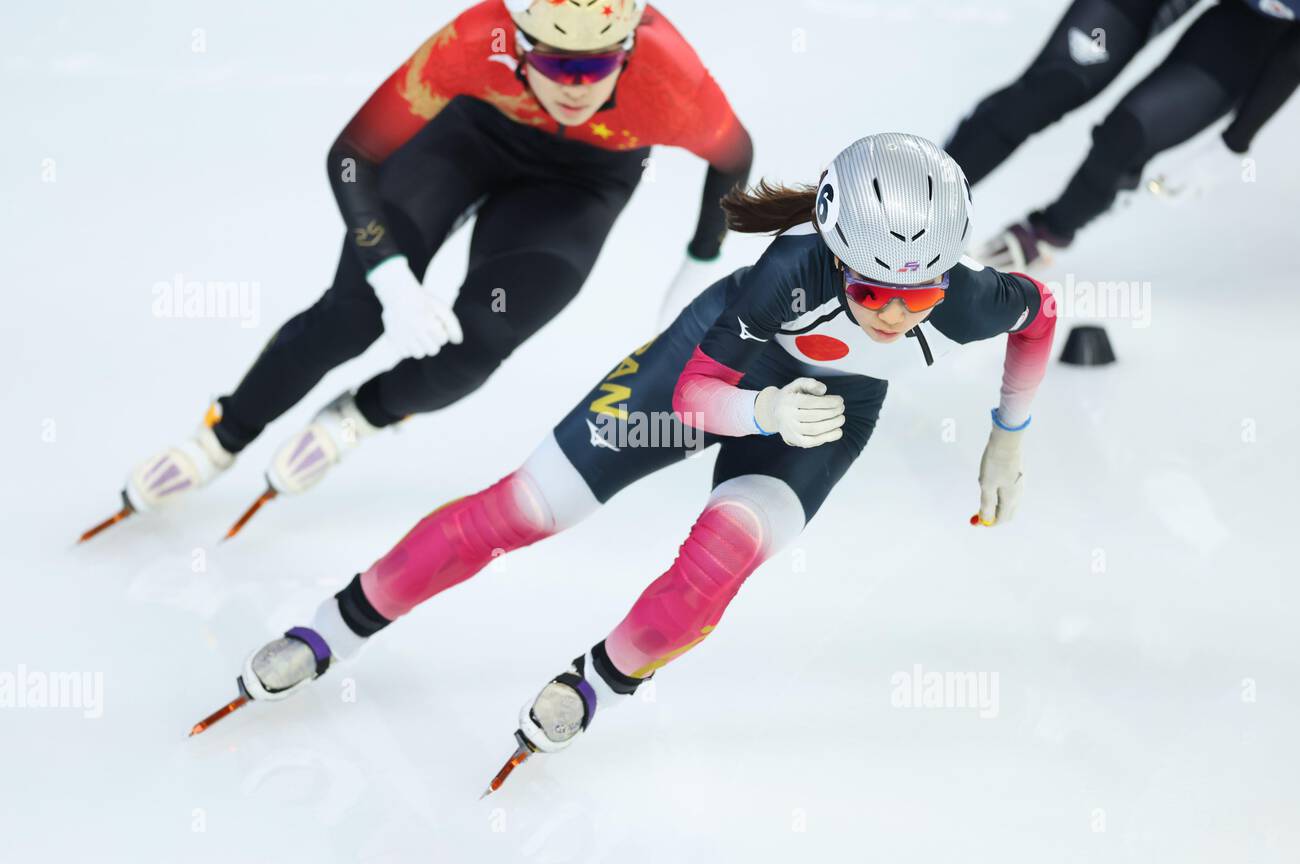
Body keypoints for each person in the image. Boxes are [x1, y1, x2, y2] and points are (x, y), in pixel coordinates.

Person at [194, 135, 1057, 790]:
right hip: (709, 377)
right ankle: (330, 630)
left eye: (923, 293)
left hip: (826, 418)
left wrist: (1008, 433)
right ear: (836, 255)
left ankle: (599, 680)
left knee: (713, 571)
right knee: (518, 511)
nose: (897, 317)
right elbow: (692, 401)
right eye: (872, 293)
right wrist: (763, 408)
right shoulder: (788, 274)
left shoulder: (973, 298)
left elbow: (1041, 313)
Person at [90, 0, 751, 539]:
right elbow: (351, 156)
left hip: (579, 187)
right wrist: (389, 276)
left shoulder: (670, 75)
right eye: (553, 62)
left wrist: (700, 260)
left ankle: (361, 416)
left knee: (475, 344)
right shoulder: (473, 38)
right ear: (516, 42)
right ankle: (221, 436)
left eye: (598, 64)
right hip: (471, 138)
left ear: (630, 49)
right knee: (350, 315)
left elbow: (733, 159)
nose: (575, 87)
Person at [944, 0, 1298, 271]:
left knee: (1126, 136)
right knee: (1049, 90)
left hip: (1259, 20)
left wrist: (1233, 143)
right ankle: (924, 197)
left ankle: (1047, 232)